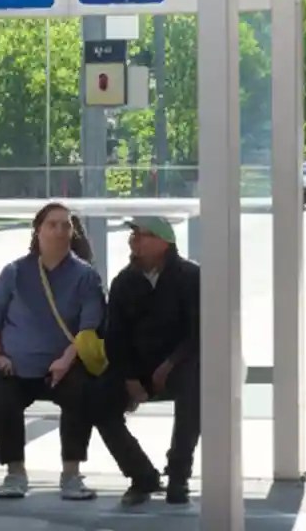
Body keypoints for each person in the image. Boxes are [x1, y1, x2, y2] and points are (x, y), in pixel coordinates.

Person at [0, 201, 151, 501]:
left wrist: (65, 359)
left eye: (65, 225)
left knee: (80, 393)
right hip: (16, 366)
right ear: (38, 230)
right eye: (52, 224)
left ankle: (71, 474)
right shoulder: (15, 272)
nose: (59, 230)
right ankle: (14, 472)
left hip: (65, 363)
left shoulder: (85, 276)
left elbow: (89, 327)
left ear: (73, 232)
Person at [103, 215, 202, 506]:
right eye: (132, 235)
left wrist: (170, 364)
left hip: (179, 365)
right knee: (96, 398)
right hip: (136, 369)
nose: (133, 241)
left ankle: (178, 474)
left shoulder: (190, 277)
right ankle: (142, 475)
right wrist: (131, 378)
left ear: (163, 242)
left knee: (194, 388)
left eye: (140, 234)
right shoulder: (124, 282)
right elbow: (115, 338)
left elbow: (197, 333)